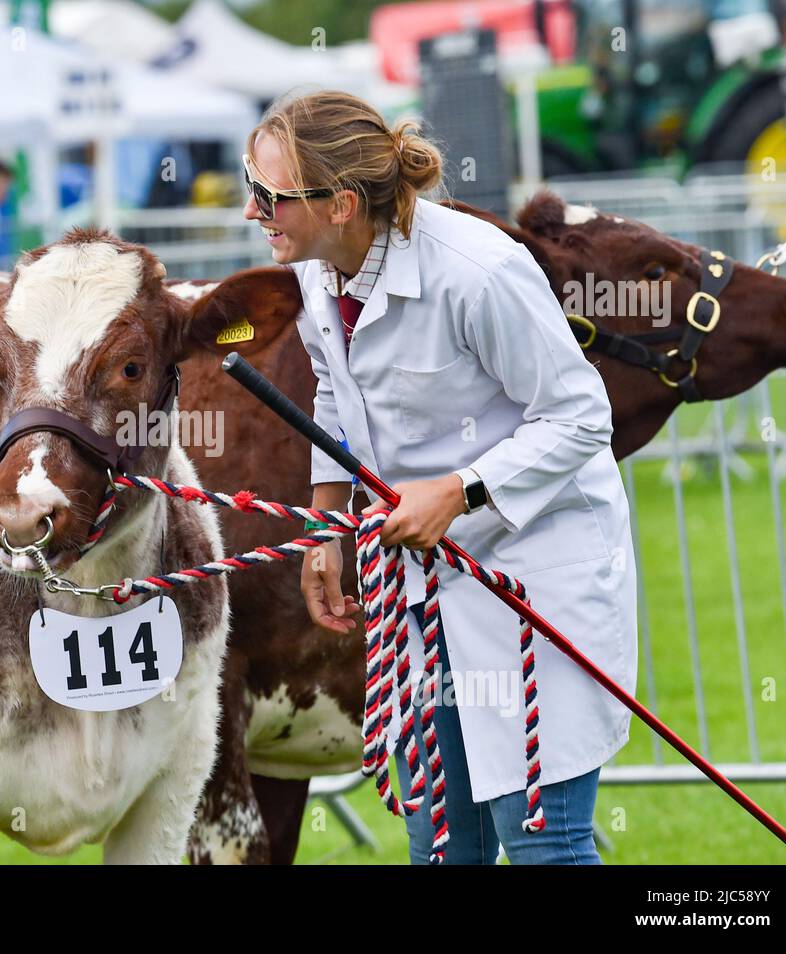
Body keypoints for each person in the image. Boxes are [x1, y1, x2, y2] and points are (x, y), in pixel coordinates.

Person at [243, 90, 637, 865]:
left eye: (270, 195)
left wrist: (459, 490)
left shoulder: (477, 270)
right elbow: (336, 392)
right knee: (441, 848)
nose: (253, 212)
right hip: (427, 591)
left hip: (534, 577)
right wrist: (325, 524)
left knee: (545, 846)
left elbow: (582, 415)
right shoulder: (321, 272)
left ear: (342, 202)